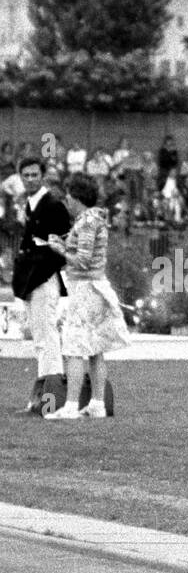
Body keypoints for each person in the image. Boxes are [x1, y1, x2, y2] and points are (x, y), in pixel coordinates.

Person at [42, 175, 129, 420]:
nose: (66, 201)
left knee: (74, 346)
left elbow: (83, 260)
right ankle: (97, 403)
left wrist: (60, 250)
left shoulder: (88, 222)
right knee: (95, 348)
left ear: (78, 197)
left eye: (69, 196)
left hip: (86, 289)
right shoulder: (91, 219)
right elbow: (83, 252)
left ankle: (70, 405)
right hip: (94, 287)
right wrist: (65, 244)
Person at [11, 157, 71, 417]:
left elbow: (61, 248)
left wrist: (37, 262)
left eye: (35, 175)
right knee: (41, 339)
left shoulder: (53, 205)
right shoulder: (31, 204)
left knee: (47, 339)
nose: (30, 179)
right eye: (26, 175)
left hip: (44, 278)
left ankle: (51, 399)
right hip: (32, 278)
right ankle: (43, 398)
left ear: (42, 176)